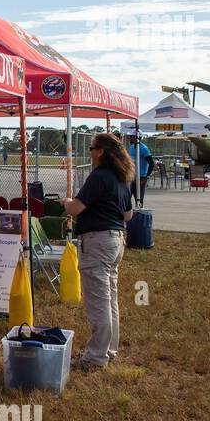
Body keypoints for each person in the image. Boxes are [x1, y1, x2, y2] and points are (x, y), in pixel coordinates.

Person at [61, 133, 135, 371]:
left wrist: (66, 203)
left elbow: (76, 208)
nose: (90, 153)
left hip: (97, 243)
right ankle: (108, 350)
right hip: (115, 242)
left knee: (99, 303)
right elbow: (128, 214)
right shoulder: (123, 177)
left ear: (100, 151)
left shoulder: (99, 176)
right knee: (110, 298)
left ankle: (95, 358)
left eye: (92, 148)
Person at [128, 134, 153, 206]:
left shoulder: (144, 149)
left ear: (137, 137)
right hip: (131, 176)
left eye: (131, 136)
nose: (130, 138)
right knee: (126, 198)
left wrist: (146, 177)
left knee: (139, 200)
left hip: (141, 177)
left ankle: (139, 215)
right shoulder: (131, 147)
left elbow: (151, 164)